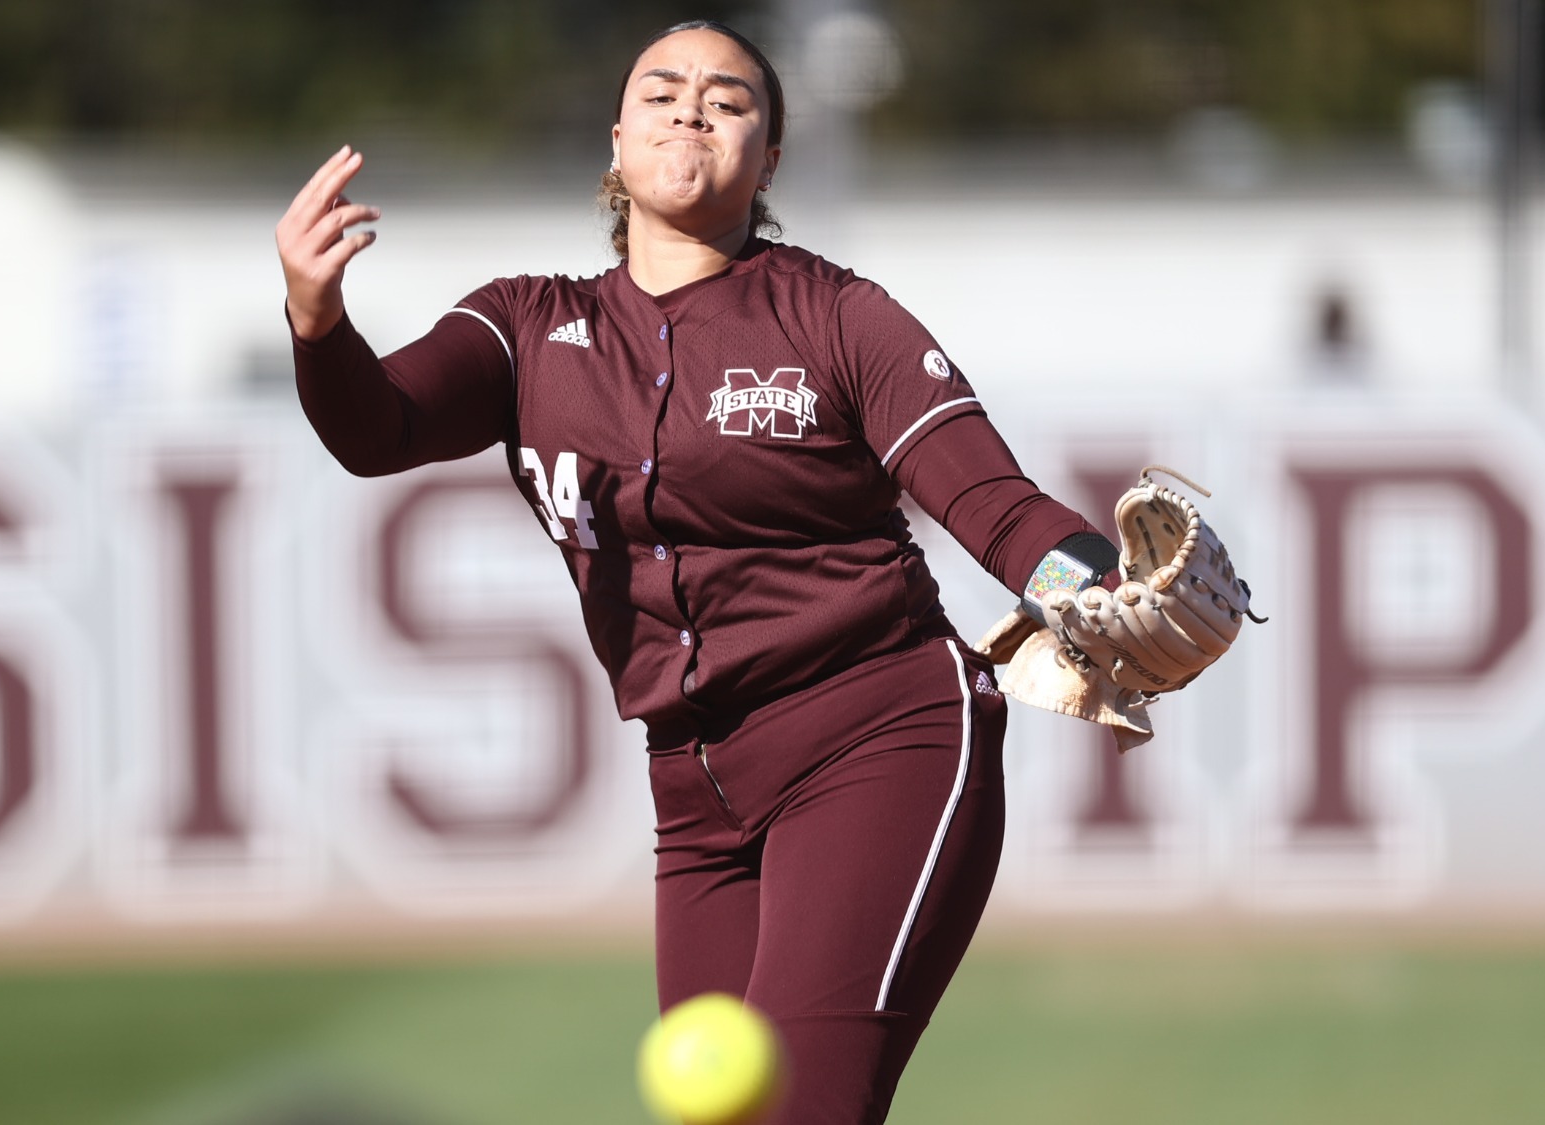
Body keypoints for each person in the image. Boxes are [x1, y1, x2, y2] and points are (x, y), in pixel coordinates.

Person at [278, 20, 1118, 1124]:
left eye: (727, 101)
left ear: (767, 160)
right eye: (661, 92)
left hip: (877, 735)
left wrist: (1094, 585)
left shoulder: (832, 313)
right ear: (615, 140)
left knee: (802, 1109)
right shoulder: (528, 325)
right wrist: (313, 316)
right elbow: (375, 427)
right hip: (694, 789)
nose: (690, 110)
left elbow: (989, 503)